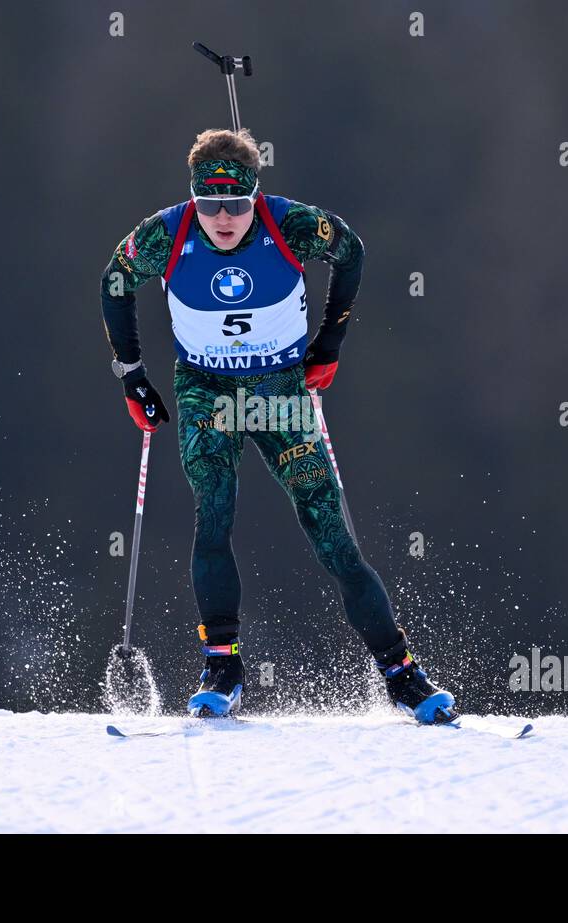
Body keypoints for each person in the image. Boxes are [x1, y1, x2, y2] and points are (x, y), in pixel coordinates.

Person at [99, 127, 457, 723]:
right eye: (210, 204)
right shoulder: (166, 233)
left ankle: (401, 673)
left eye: (236, 204)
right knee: (213, 515)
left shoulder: (288, 224)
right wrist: (133, 374)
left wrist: (329, 342)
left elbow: (352, 252)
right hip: (206, 392)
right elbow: (114, 281)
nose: (223, 218)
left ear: (254, 197)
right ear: (194, 198)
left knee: (330, 533)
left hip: (279, 393)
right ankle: (222, 666)